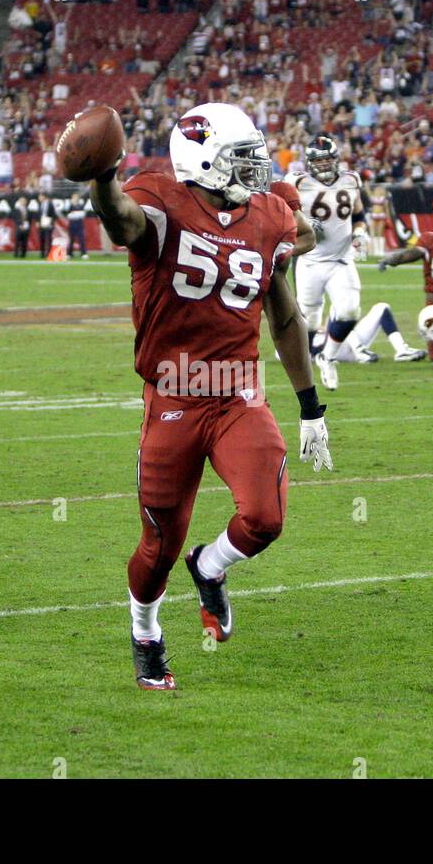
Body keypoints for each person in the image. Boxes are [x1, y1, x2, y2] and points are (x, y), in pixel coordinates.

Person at [86, 102, 333, 690]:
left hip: (236, 392)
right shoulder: (161, 199)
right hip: (172, 394)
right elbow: (121, 220)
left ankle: (212, 565)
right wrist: (100, 175)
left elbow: (286, 316)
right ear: (201, 160)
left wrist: (310, 406)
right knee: (157, 547)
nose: (256, 168)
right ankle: (145, 629)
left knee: (265, 517)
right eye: (241, 157)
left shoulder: (268, 215)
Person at [284, 134, 372, 391]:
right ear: (310, 163)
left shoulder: (351, 180)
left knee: (349, 311)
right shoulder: (297, 182)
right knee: (308, 320)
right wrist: (305, 226)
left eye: (327, 160)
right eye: (318, 161)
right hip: (310, 259)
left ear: (336, 159)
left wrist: (359, 233)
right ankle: (306, 360)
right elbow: (284, 216)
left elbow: (358, 214)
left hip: (341, 259)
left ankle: (328, 356)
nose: (323, 165)